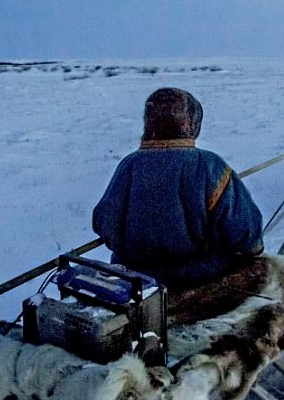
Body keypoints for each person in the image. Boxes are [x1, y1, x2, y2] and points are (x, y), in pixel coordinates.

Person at [93, 87, 268, 321]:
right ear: (192, 123)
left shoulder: (129, 165)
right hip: (197, 284)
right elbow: (248, 236)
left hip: (136, 284)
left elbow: (105, 224)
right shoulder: (210, 166)